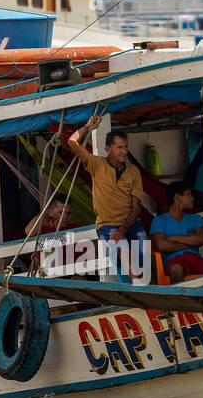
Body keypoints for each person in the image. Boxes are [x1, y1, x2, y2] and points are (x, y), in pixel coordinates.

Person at [62, 113, 146, 280]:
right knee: (127, 257)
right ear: (108, 149)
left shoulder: (133, 171)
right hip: (108, 226)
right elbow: (72, 142)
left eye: (125, 147)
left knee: (142, 270)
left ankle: (144, 297)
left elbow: (137, 207)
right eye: (119, 147)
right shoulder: (97, 164)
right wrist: (88, 126)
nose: (123, 151)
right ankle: (143, 300)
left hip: (131, 224)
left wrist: (124, 228)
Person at [151, 181, 203, 283]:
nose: (192, 198)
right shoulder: (159, 220)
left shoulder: (195, 218)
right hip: (174, 260)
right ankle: (182, 298)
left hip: (195, 259)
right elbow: (162, 246)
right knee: (176, 270)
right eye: (188, 194)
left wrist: (174, 238)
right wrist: (192, 242)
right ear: (177, 197)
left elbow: (202, 239)